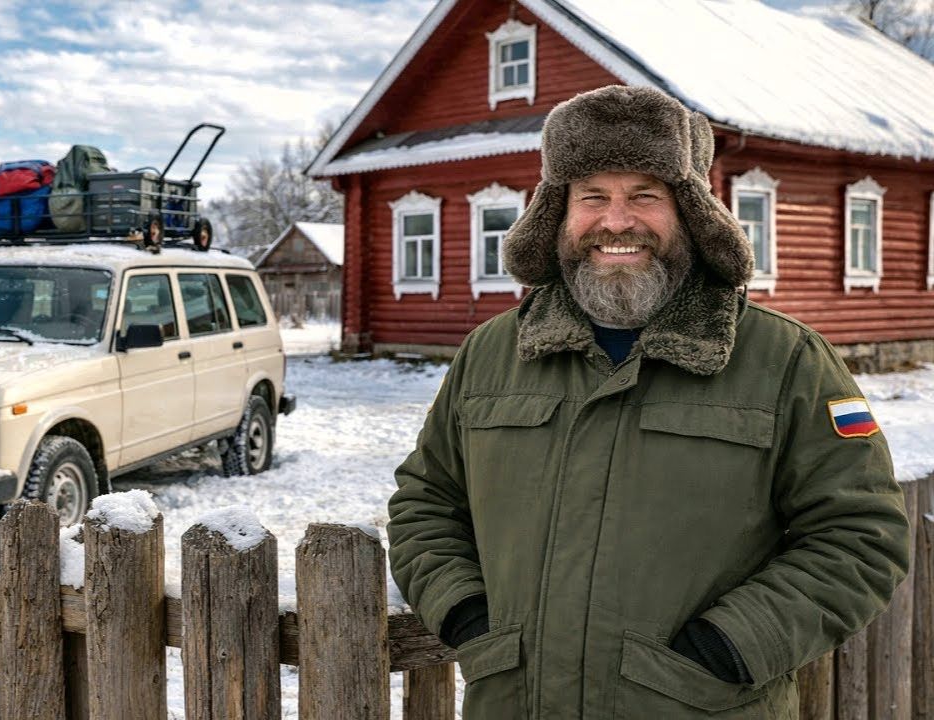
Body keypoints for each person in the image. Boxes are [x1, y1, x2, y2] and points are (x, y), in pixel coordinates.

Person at [386, 85, 910, 719]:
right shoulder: (493, 353)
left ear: (689, 213)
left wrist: (729, 648)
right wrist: (468, 615)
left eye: (645, 196)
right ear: (558, 214)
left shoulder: (785, 360)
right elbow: (425, 501)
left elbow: (861, 535)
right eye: (592, 197)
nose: (616, 221)